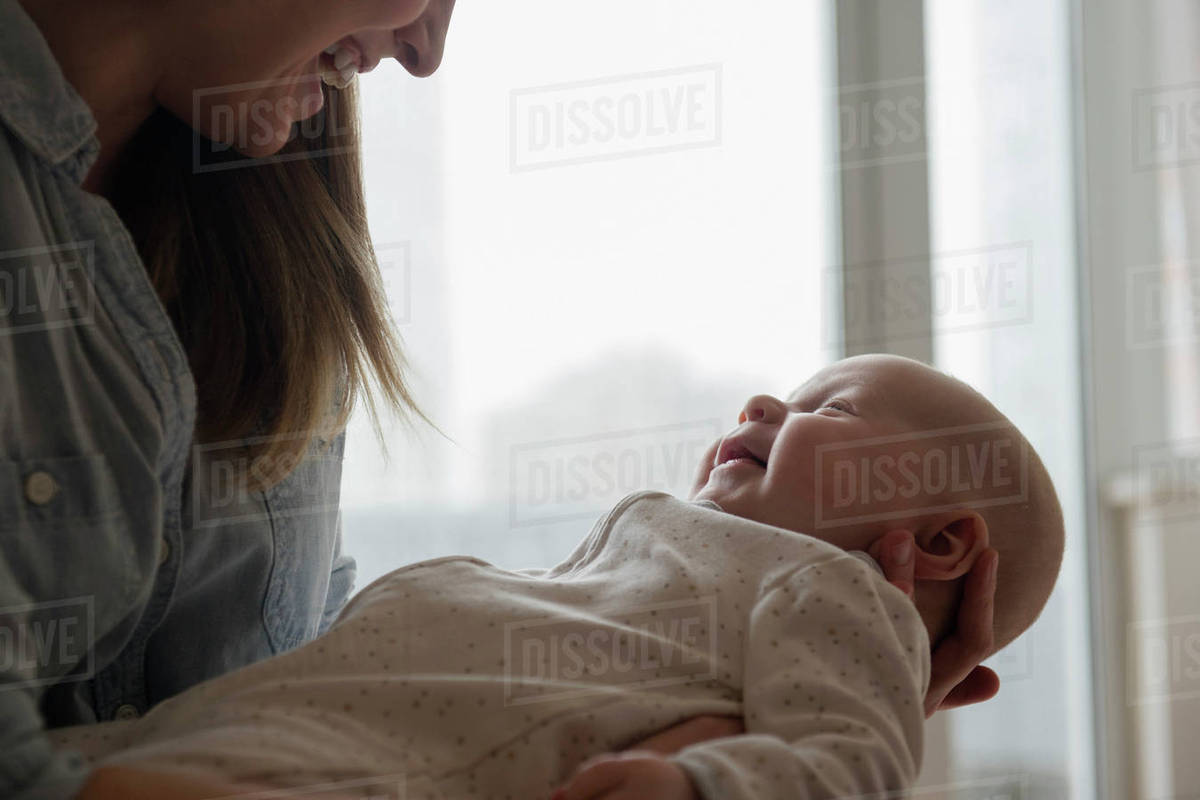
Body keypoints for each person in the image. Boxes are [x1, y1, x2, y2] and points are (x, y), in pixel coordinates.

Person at [0, 0, 999, 795]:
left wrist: (750, 725)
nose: (426, 49)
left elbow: (320, 687)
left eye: (832, 411)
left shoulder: (276, 251)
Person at [57, 355, 1054, 800]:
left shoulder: (835, 588)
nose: (763, 402)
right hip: (312, 714)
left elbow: (854, 762)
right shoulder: (714, 559)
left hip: (385, 763)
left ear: (939, 541)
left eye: (829, 410)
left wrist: (699, 784)